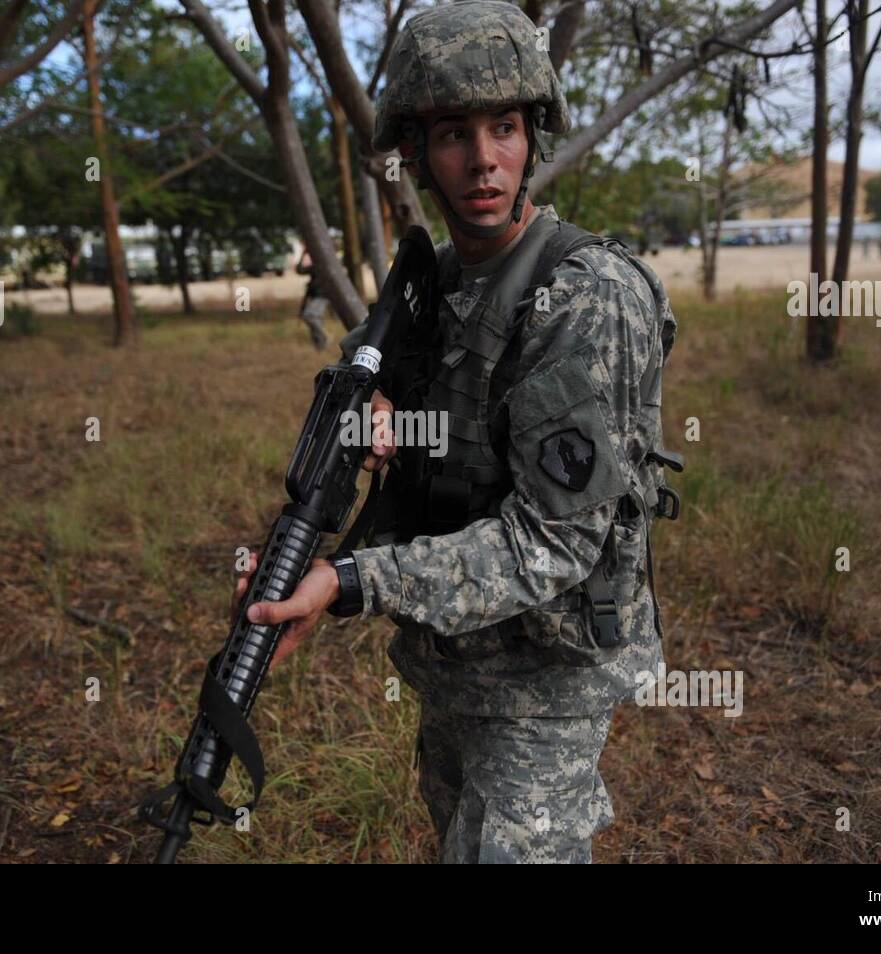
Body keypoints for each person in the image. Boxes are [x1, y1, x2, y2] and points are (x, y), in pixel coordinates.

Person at [233, 0, 680, 864]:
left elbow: (551, 543)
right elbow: (432, 448)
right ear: (418, 155)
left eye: (504, 128)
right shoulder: (427, 290)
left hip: (548, 678)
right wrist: (304, 558)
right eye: (453, 134)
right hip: (454, 661)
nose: (483, 160)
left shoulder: (586, 295)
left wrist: (351, 580)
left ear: (533, 138)